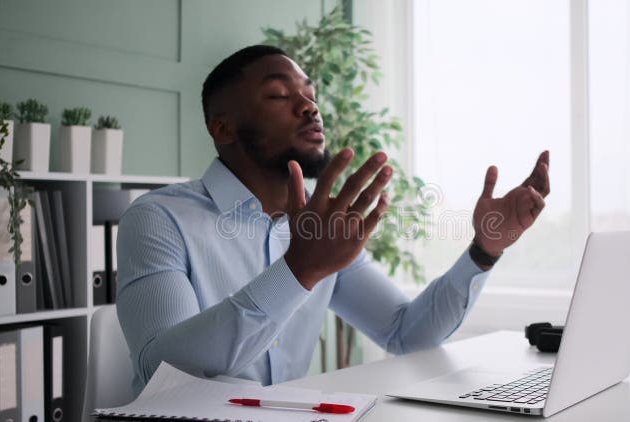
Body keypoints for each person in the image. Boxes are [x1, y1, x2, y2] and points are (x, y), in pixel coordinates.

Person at [116, 45, 550, 393]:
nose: (309, 107)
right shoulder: (159, 219)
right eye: (279, 95)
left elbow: (405, 333)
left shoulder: (320, 228)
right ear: (223, 129)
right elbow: (163, 371)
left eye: (310, 94)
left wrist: (484, 251)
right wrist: (297, 271)